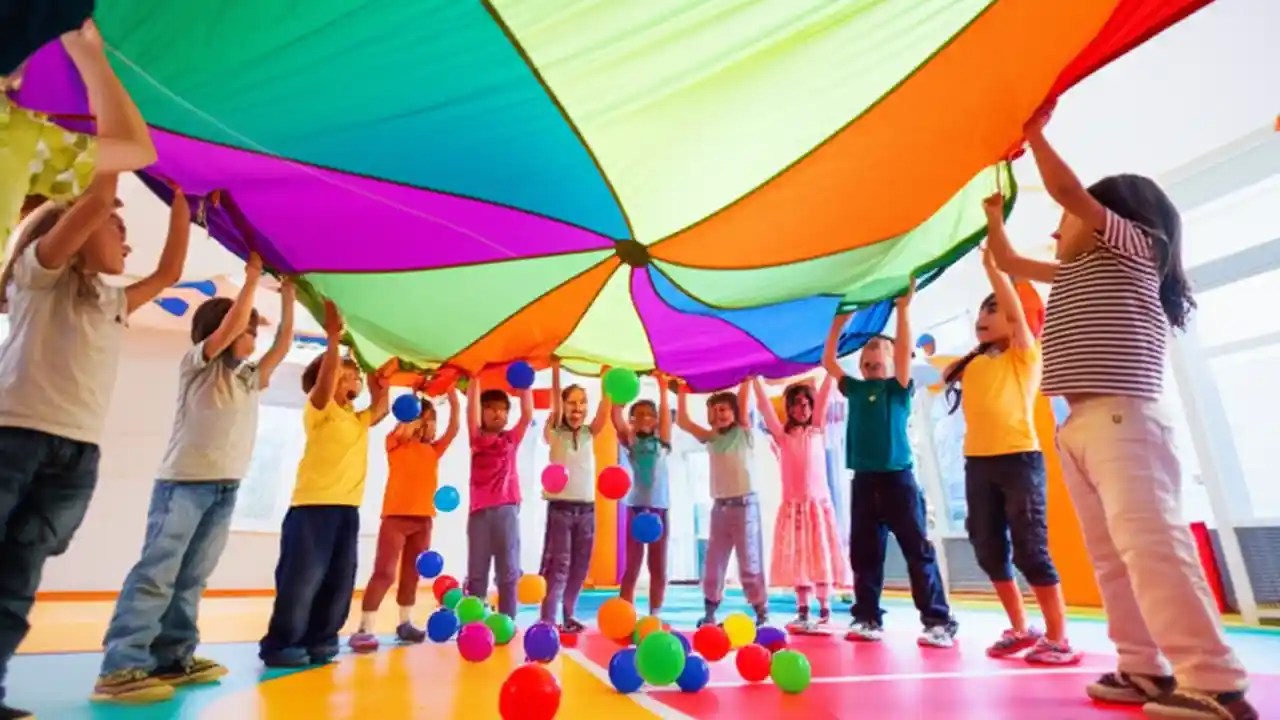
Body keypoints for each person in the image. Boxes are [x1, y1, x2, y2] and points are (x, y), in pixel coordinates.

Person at [986, 109, 1254, 719]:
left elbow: (1067, 190)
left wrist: (1032, 132)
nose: (1056, 234)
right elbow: (1007, 261)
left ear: (1117, 220)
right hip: (1079, 427)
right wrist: (993, 216)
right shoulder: (1076, 270)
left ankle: (1215, 683)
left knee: (1149, 545)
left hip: (1122, 419)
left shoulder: (1135, 247)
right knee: (1110, 556)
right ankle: (1142, 667)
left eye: (1061, 223)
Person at [0, 170, 188, 717]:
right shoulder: (41, 274)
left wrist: (184, 199)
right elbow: (99, 195)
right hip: (17, 438)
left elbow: (171, 270)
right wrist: (110, 168)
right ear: (77, 232)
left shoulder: (113, 302)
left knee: (19, 573)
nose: (126, 239)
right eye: (117, 226)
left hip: (76, 452)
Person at [94, 248, 294, 702]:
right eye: (247, 331)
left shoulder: (248, 377)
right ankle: (121, 664)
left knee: (192, 577)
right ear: (221, 330)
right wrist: (251, 280)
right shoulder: (199, 364)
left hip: (226, 486)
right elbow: (228, 328)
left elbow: (282, 344)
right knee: (157, 572)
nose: (252, 339)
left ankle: (173, 657)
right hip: (183, 484)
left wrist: (288, 295)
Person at [943, 217, 1078, 665]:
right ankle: (1022, 627)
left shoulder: (1025, 355)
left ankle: (1058, 637)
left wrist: (995, 269)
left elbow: (1017, 314)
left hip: (1019, 460)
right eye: (981, 313)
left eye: (992, 310)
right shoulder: (974, 364)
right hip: (978, 463)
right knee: (986, 546)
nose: (984, 318)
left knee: (1030, 549)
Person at [822, 280, 958, 648]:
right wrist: (840, 323)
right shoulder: (853, 387)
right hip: (864, 481)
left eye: (879, 350)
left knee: (917, 549)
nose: (871, 355)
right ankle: (867, 616)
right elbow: (828, 361)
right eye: (867, 351)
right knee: (864, 552)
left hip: (898, 480)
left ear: (895, 358)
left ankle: (938, 620)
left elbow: (901, 357)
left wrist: (903, 309)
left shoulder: (898, 388)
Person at [258, 301, 389, 668]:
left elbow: (380, 408)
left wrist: (381, 379)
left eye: (354, 376)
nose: (354, 379)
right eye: (348, 375)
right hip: (312, 509)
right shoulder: (321, 410)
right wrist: (334, 339)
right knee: (302, 580)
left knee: (338, 581)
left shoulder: (355, 419)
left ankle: (322, 640)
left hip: (347, 510)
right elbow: (326, 380)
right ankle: (282, 644)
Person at [2, 20, 155, 259]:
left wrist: (88, 53)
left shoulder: (21, 135)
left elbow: (136, 152)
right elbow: (136, 150)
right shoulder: (21, 135)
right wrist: (87, 53)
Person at [350, 384, 460, 652]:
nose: (429, 427)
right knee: (385, 573)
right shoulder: (395, 442)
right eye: (425, 422)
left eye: (433, 423)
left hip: (423, 520)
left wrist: (454, 395)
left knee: (412, 575)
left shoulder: (434, 450)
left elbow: (455, 428)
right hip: (395, 518)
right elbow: (405, 427)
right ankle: (365, 627)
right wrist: (415, 405)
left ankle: (405, 623)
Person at [751, 375, 849, 633]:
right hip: (794, 507)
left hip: (817, 506)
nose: (803, 408)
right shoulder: (782, 436)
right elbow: (765, 407)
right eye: (797, 404)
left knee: (820, 555)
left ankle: (825, 609)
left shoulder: (816, 430)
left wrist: (829, 370)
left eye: (807, 404)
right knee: (799, 559)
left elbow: (826, 395)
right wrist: (755, 380)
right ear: (789, 408)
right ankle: (802, 610)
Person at [677, 381, 768, 628]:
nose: (719, 414)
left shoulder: (743, 432)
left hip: (745, 505)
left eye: (724, 409)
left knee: (749, 560)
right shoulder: (711, 438)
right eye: (715, 411)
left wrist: (747, 378)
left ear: (735, 412)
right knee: (714, 560)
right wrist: (681, 391)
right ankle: (710, 610)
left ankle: (760, 609)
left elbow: (744, 401)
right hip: (720, 508)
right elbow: (683, 422)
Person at [539, 360, 611, 632]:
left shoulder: (589, 433)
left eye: (582, 403)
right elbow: (556, 406)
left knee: (580, 566)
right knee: (559, 565)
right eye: (572, 403)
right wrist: (556, 371)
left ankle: (568, 614)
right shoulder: (556, 432)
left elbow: (604, 412)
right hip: (560, 508)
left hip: (587, 510)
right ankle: (547, 619)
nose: (577, 408)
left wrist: (607, 384)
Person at [465, 370, 533, 619]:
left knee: (509, 570)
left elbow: (527, 416)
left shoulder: (511, 439)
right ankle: (472, 620)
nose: (497, 413)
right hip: (480, 513)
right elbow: (470, 412)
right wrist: (475, 379)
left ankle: (508, 619)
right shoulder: (476, 438)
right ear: (481, 412)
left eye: (503, 409)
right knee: (477, 571)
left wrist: (525, 386)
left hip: (507, 510)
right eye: (491, 408)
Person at [614, 375, 672, 617]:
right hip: (636, 508)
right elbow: (616, 418)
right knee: (632, 566)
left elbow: (666, 418)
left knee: (658, 566)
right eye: (639, 415)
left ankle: (655, 613)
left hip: (660, 509)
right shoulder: (631, 440)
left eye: (650, 414)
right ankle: (626, 612)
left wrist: (663, 386)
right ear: (633, 421)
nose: (645, 418)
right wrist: (618, 390)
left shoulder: (663, 442)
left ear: (657, 419)